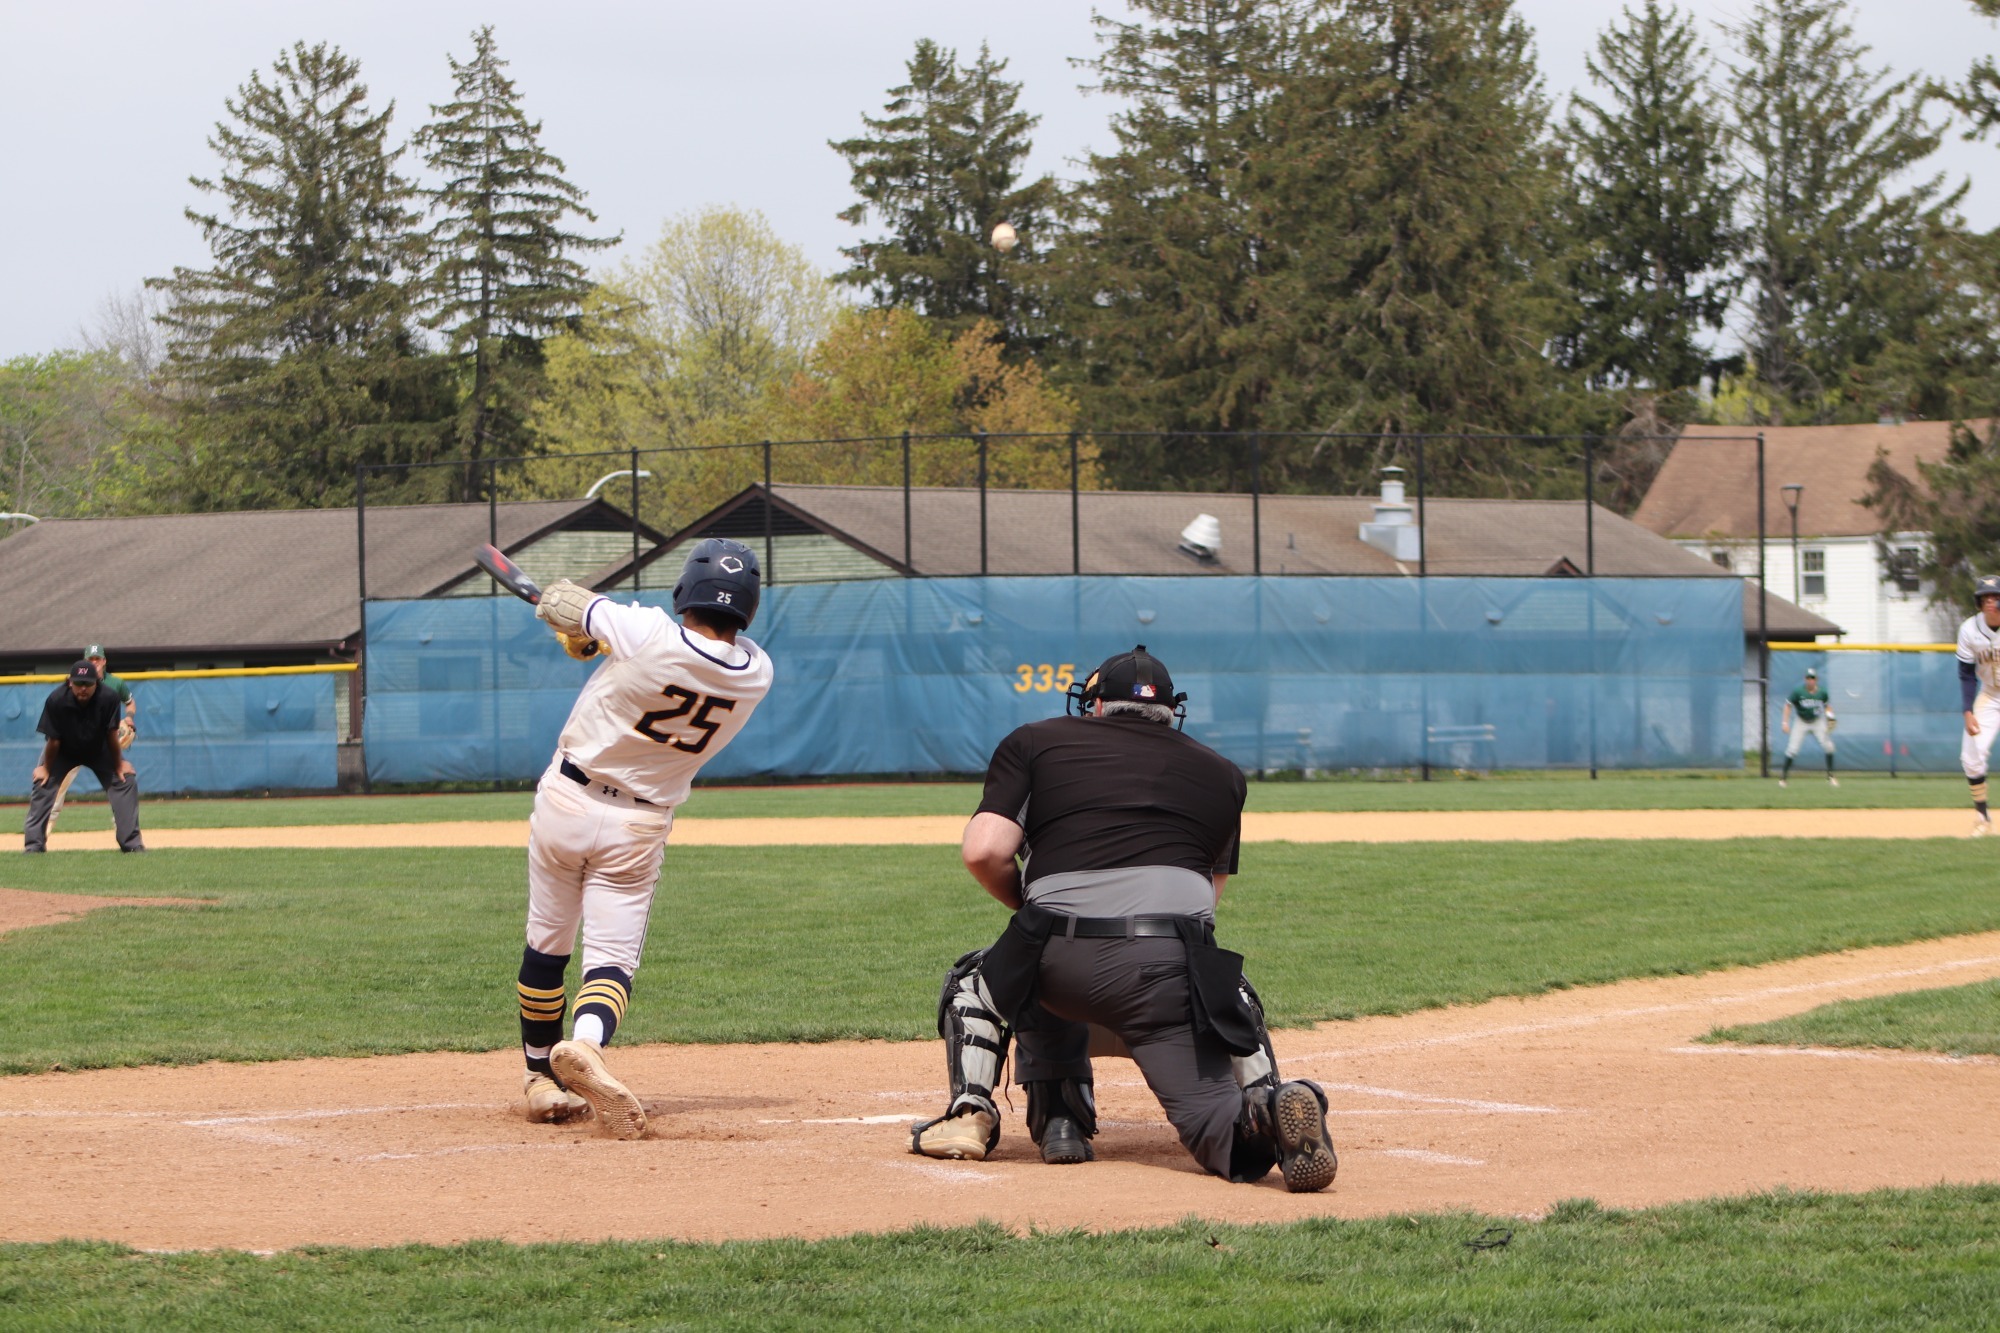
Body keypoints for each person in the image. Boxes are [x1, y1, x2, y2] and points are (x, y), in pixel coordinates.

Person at [910, 646, 1337, 1192]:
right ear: (1171, 711)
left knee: (980, 980)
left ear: (1093, 705)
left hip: (1059, 959)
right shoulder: (1224, 773)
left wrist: (1034, 911)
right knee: (1226, 993)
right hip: (1170, 969)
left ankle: (975, 1115)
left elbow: (984, 851)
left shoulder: (1035, 740)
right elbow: (1207, 903)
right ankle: (1263, 1111)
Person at [514, 539, 773, 1137]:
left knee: (548, 942)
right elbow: (671, 652)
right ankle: (586, 1044)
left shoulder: (647, 632)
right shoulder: (757, 672)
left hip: (567, 801)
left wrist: (581, 634)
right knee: (611, 957)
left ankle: (539, 1078)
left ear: (686, 590)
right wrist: (598, 637)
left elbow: (560, 602)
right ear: (748, 607)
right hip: (640, 822)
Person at [23, 661, 143, 853]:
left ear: (97, 682)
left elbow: (111, 735)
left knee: (125, 780)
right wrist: (45, 768)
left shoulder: (109, 697)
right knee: (42, 782)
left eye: (88, 683)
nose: (83, 688)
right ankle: (34, 846)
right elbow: (54, 740)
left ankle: (131, 844)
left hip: (99, 749)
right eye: (79, 683)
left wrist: (119, 764)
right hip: (63, 750)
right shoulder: (57, 699)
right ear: (70, 682)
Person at [48, 645, 137, 833]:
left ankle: (122, 824)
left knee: (119, 779)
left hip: (103, 744)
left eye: (97, 659)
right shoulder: (76, 682)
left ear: (104, 661)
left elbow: (130, 703)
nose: (94, 662)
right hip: (74, 741)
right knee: (60, 782)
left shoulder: (115, 683)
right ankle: (48, 823)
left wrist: (129, 717)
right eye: (90, 659)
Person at [1958, 575, 2000, 837]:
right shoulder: (1969, 629)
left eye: (1996, 597)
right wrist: (1967, 710)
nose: (1990, 602)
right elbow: (1966, 674)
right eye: (1985, 598)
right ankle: (1982, 818)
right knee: (1971, 757)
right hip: (1990, 695)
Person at [1778, 666, 1837, 788]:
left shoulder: (1822, 692)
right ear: (1805, 679)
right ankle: (1783, 779)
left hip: (1817, 721)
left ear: (1816, 680)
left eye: (1813, 678)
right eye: (1808, 678)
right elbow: (1788, 705)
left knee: (1829, 747)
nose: (1810, 680)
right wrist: (1785, 723)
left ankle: (1831, 777)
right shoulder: (1798, 692)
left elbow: (1827, 706)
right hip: (1801, 722)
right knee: (1792, 750)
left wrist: (1830, 717)